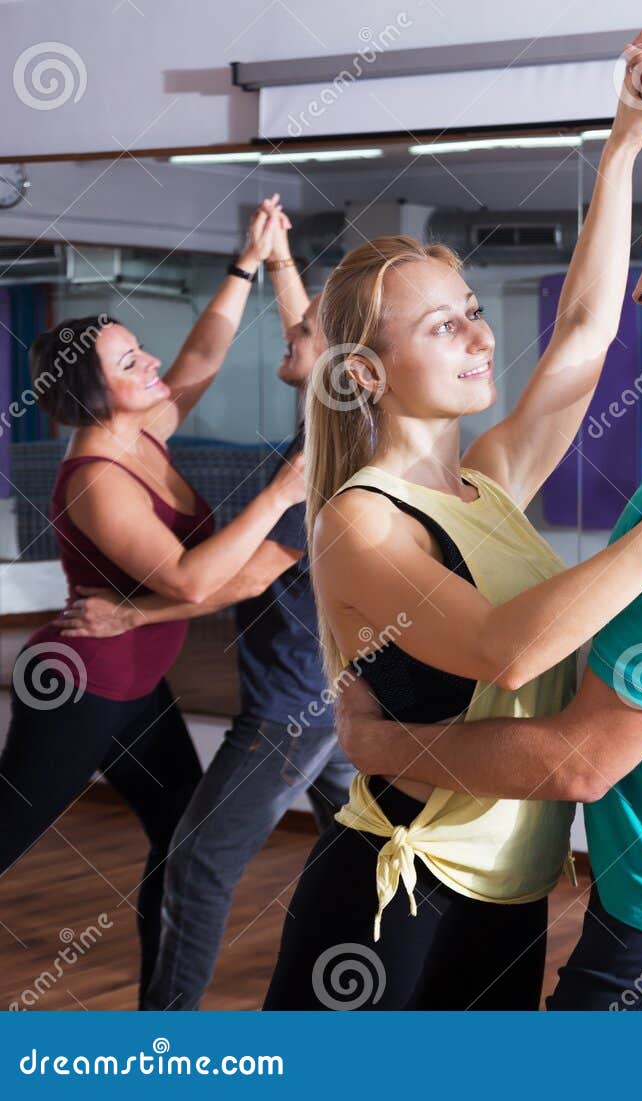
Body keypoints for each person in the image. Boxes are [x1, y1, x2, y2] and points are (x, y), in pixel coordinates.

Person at [260, 38, 642, 1011]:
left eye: (473, 310)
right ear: (365, 373)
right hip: (396, 889)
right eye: (443, 326)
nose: (479, 334)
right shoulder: (361, 520)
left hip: (511, 896)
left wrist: (626, 140)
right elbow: (505, 651)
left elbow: (589, 330)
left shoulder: (488, 482)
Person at [0, 198, 309, 1008]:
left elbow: (203, 353)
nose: (149, 366)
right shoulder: (98, 477)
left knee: (178, 833)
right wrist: (282, 491)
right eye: (128, 363)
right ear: (93, 396)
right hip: (83, 684)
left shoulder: (144, 432)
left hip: (136, 682)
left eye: (138, 351)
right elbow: (196, 581)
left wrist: (248, 262)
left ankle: (157, 1020)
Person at [54, 206, 361, 1007]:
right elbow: (287, 334)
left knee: (196, 862)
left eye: (301, 336)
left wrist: (135, 615)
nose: (285, 337)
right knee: (367, 844)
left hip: (293, 699)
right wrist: (272, 258)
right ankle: (389, 988)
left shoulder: (323, 450)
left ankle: (167, 1043)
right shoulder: (335, 413)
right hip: (323, 686)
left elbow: (243, 576)